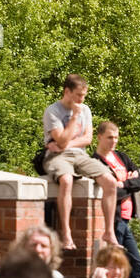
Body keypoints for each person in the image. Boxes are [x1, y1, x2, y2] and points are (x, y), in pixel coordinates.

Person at [42, 73, 118, 250]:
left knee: (110, 182)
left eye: (84, 96)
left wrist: (64, 144)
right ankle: (66, 234)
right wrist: (74, 118)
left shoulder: (86, 109)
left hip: (79, 155)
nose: (81, 99)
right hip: (56, 157)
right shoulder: (52, 111)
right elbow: (59, 140)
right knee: (66, 180)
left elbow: (88, 139)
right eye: (78, 95)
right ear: (67, 91)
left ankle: (109, 232)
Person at [94, 121, 140, 278]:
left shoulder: (121, 157)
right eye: (109, 137)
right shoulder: (96, 162)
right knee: (117, 266)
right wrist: (126, 184)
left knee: (135, 267)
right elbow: (111, 192)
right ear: (99, 137)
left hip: (126, 219)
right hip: (113, 221)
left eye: (116, 137)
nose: (113, 141)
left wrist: (123, 183)